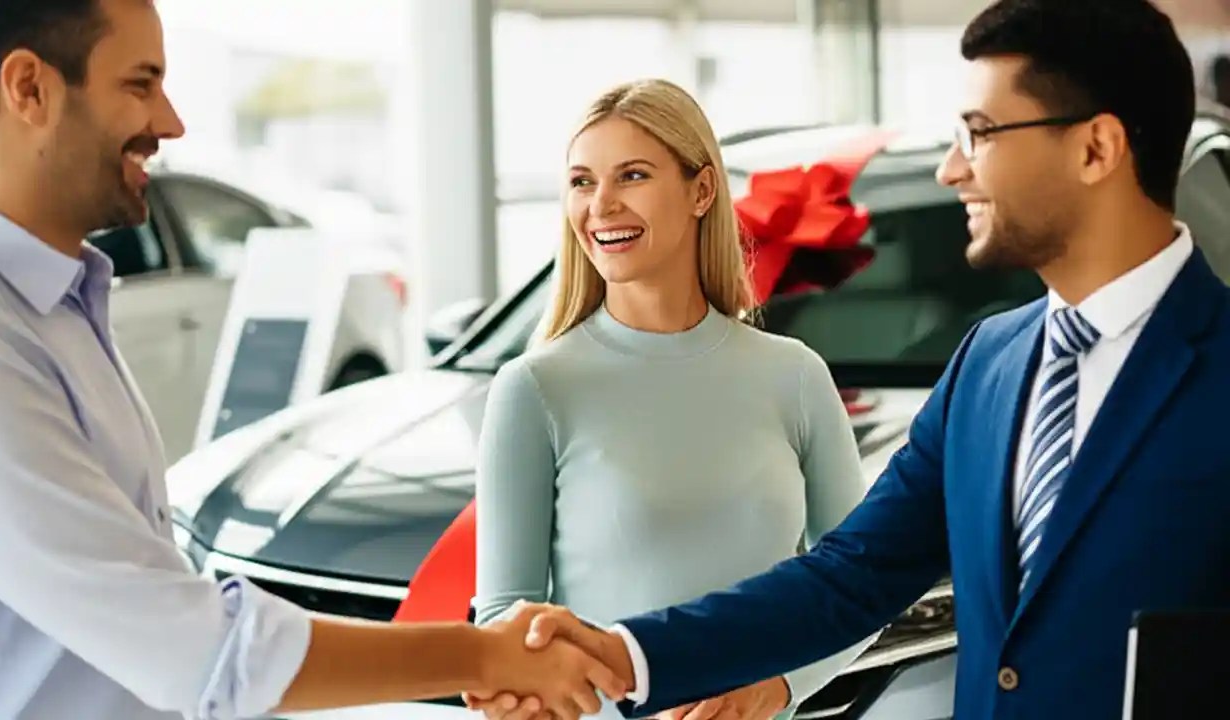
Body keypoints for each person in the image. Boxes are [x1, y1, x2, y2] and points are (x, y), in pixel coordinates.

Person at [491, 1, 1230, 718]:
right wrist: (627, 654)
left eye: (979, 134)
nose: (952, 169)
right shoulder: (988, 365)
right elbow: (851, 575)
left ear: (1096, 148)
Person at [0, 1, 626, 718]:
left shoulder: (55, 309)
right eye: (140, 84)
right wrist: (483, 655)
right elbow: (200, 653)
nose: (170, 123)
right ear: (29, 88)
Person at [465, 78, 874, 720]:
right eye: (581, 182)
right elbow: (504, 614)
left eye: (631, 176)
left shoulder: (794, 376)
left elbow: (861, 587)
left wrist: (774, 687)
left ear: (701, 190)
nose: (601, 205)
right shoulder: (535, 388)